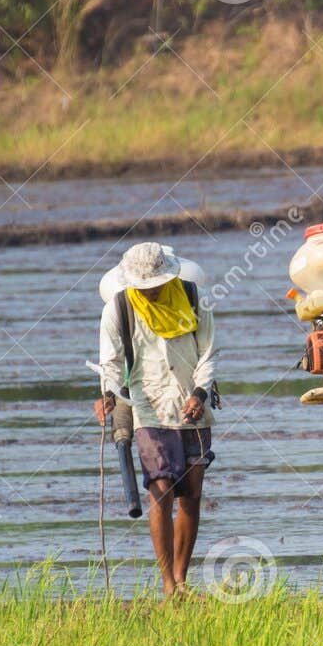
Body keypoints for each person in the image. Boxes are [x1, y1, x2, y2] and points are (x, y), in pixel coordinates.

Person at [95, 241, 217, 597]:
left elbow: (209, 351)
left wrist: (199, 392)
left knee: (191, 495)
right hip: (147, 408)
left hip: (191, 404)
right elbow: (111, 363)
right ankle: (166, 584)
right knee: (160, 491)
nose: (151, 292)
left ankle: (181, 579)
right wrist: (107, 393)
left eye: (157, 285)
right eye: (145, 287)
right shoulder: (119, 308)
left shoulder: (192, 298)